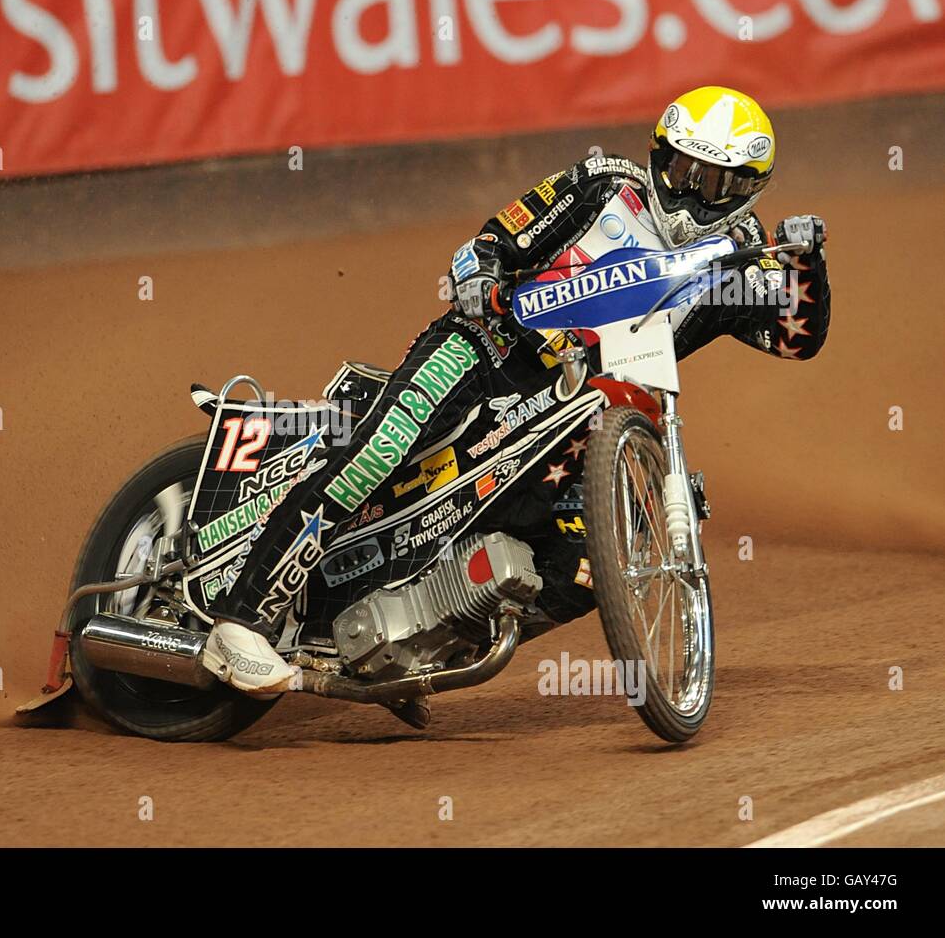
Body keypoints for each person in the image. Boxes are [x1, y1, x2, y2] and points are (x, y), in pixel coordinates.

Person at [202, 85, 831, 697]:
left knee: (583, 569)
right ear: (659, 155)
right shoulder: (605, 184)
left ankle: (420, 646)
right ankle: (241, 617)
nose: (693, 193)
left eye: (716, 183)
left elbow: (796, 339)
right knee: (379, 449)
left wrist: (808, 263)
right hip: (489, 349)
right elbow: (493, 240)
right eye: (683, 169)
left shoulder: (744, 260)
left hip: (579, 419)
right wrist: (481, 278)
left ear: (750, 190)